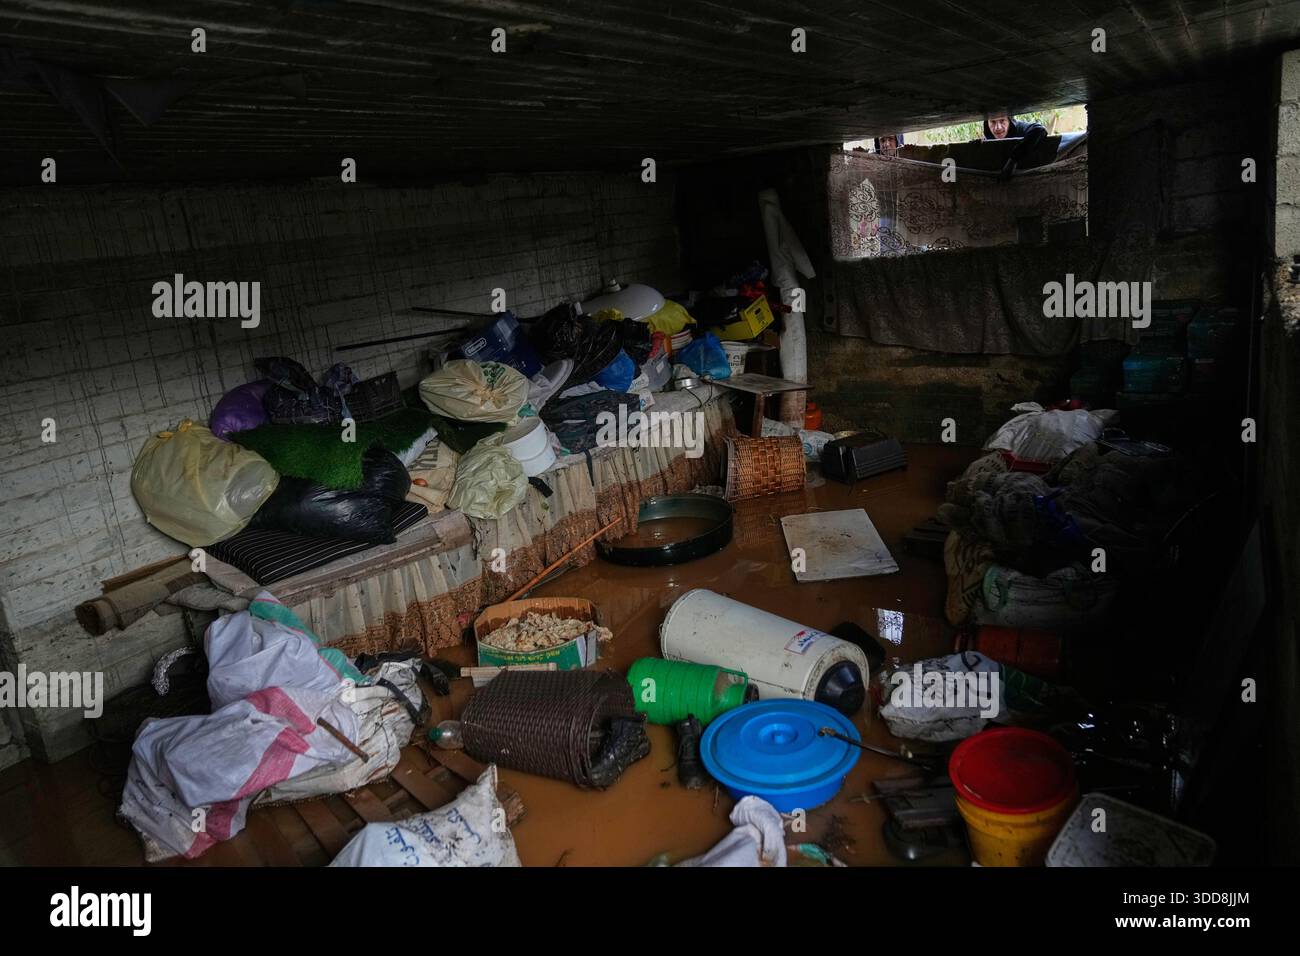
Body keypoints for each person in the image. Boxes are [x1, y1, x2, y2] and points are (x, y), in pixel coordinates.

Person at [983, 113, 1047, 180]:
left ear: (1009, 120)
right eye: (993, 122)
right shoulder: (987, 136)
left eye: (1002, 120)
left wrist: (1013, 160)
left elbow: (1039, 130)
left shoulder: (1019, 127)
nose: (998, 127)